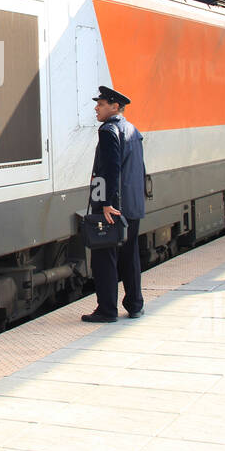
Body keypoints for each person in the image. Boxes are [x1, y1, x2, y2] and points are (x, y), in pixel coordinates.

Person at [82, 85, 146, 323]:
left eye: (100, 104)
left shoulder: (109, 131)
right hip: (132, 205)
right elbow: (139, 169)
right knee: (130, 256)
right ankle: (135, 305)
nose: (96, 108)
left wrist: (107, 203)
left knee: (104, 257)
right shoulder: (132, 129)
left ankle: (107, 310)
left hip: (113, 207)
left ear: (115, 106)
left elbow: (111, 169)